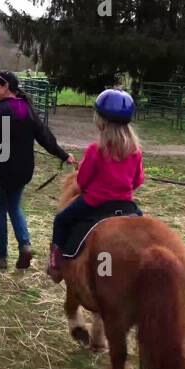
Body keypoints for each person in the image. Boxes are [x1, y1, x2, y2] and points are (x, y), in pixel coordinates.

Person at [47, 89, 144, 283]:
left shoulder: (95, 150)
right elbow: (137, 181)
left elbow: (82, 182)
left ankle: (56, 264)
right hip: (125, 205)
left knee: (61, 220)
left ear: (101, 121)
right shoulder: (135, 151)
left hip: (94, 203)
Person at [0, 72, 75, 271]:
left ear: (6, 86)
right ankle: (25, 245)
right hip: (23, 170)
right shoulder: (27, 109)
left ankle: (1, 256)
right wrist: (64, 155)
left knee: (0, 209)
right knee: (14, 207)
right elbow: (45, 137)